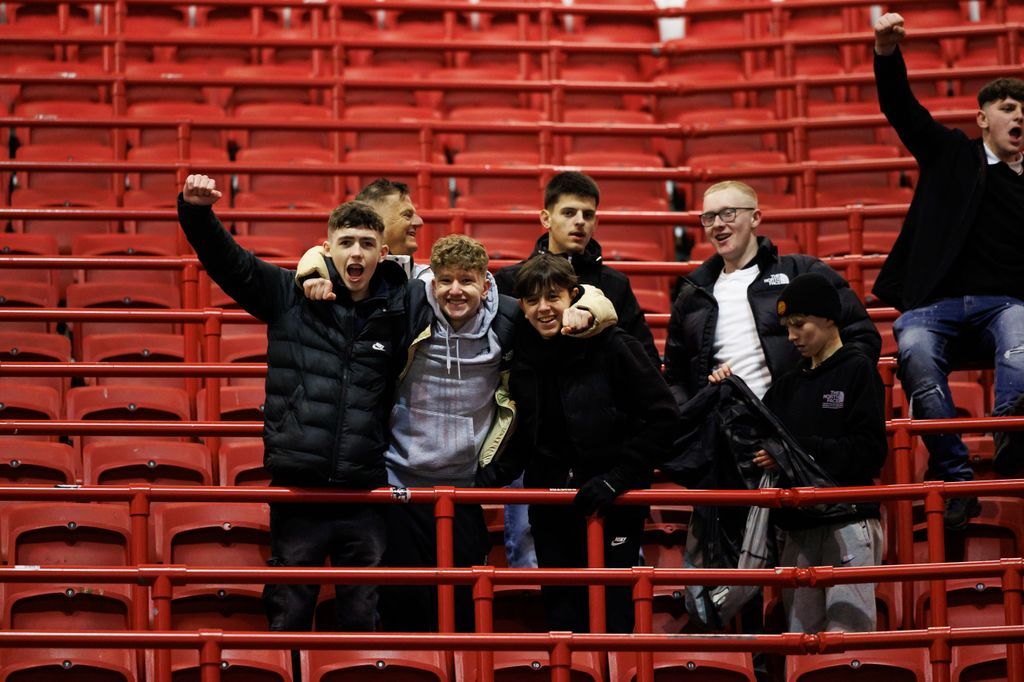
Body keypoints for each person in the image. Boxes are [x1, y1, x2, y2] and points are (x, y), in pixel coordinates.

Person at [297, 234, 615, 632]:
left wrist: (587, 311)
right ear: (432, 282)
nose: (455, 290)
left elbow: (585, 293)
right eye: (445, 280)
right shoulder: (409, 303)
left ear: (486, 283)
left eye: (466, 280)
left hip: (465, 487)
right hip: (400, 482)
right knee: (404, 611)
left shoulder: (510, 317)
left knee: (465, 612)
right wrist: (311, 268)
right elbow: (343, 267)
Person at [178, 174, 407, 634]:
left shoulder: (401, 308)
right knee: (290, 614)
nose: (356, 253)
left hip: (365, 491)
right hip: (297, 488)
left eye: (366, 243)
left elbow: (461, 285)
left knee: (363, 618)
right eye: (346, 243)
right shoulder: (289, 295)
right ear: (326, 248)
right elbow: (230, 264)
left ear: (383, 254)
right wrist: (196, 212)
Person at [873, 12, 1024, 529]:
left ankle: (1010, 436)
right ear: (983, 119)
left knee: (1023, 333)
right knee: (912, 352)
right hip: (934, 307)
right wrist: (887, 55)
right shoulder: (950, 154)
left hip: (1006, 307)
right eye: (1007, 107)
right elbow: (901, 108)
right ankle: (955, 477)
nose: (1018, 116)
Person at [478, 253, 679, 633]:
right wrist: (493, 474)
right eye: (533, 300)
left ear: (574, 296)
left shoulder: (614, 344)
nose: (544, 308)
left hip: (614, 500)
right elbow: (528, 431)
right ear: (521, 305)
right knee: (562, 612)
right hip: (550, 503)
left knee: (615, 611)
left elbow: (663, 416)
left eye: (553, 297)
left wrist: (616, 479)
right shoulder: (522, 352)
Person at [493, 170, 661, 569]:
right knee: (543, 571)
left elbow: (646, 364)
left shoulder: (615, 284)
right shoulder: (511, 281)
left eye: (588, 214)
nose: (580, 222)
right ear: (545, 217)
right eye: (569, 212)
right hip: (539, 455)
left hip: (607, 458)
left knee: (616, 586)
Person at [712, 272, 887, 633]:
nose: (791, 336)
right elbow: (756, 434)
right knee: (800, 641)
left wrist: (792, 451)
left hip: (848, 520)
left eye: (799, 324)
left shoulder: (858, 369)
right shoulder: (788, 383)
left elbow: (869, 452)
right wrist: (726, 392)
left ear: (828, 318)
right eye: (786, 327)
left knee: (848, 645)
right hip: (800, 528)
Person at [298, 177, 429, 281]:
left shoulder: (429, 280)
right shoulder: (333, 275)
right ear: (374, 218)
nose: (419, 222)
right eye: (407, 215)